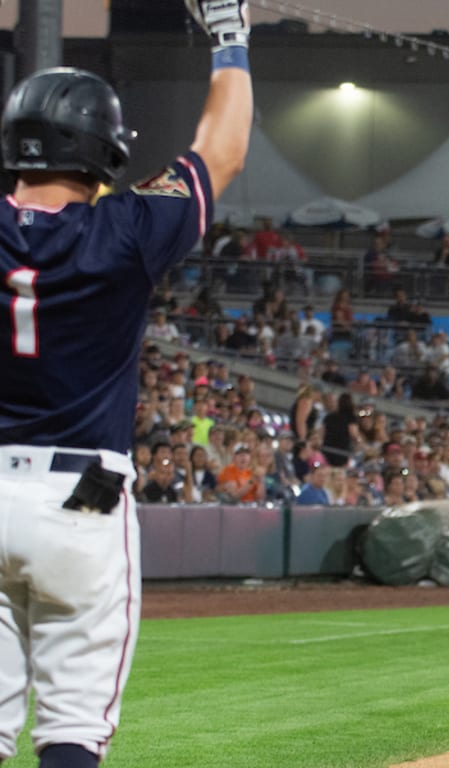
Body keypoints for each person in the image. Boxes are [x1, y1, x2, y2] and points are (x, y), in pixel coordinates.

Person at [0, 3, 251, 764]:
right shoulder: (129, 230)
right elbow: (223, 150)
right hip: (83, 497)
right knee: (74, 722)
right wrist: (232, 38)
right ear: (103, 149)